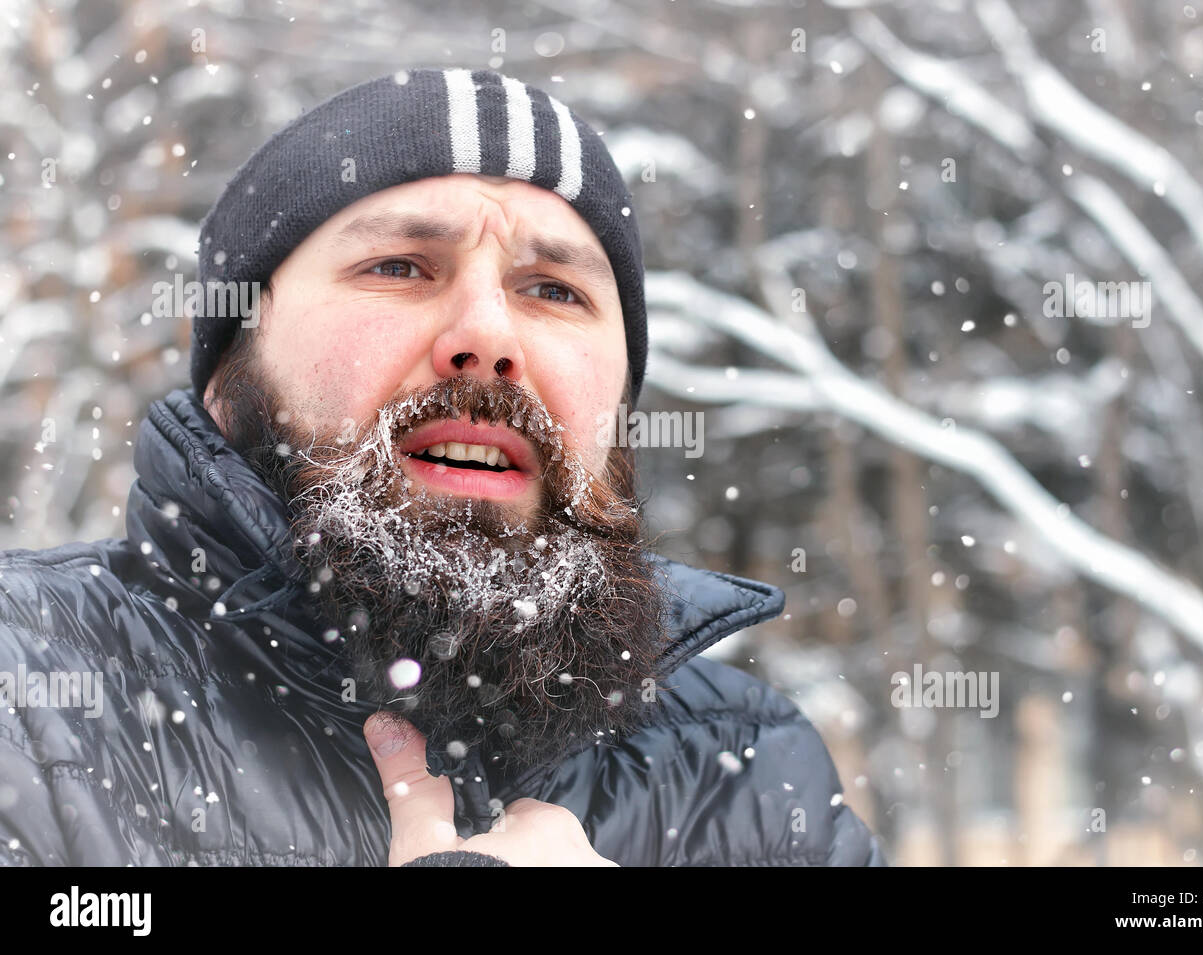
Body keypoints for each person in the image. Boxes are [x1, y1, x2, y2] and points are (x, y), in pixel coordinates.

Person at [0, 68, 885, 866]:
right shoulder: (26, 696)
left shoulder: (748, 769)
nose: (489, 338)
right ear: (232, 372)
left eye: (553, 290)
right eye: (400, 267)